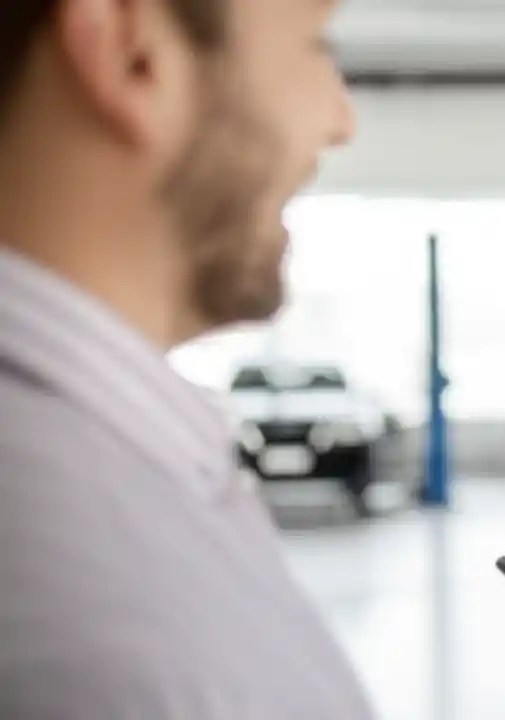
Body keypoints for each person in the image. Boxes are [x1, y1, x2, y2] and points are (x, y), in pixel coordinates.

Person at [0, 0, 372, 717]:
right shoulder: (113, 639)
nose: (340, 119)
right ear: (130, 54)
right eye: (313, 44)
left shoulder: (108, 468)